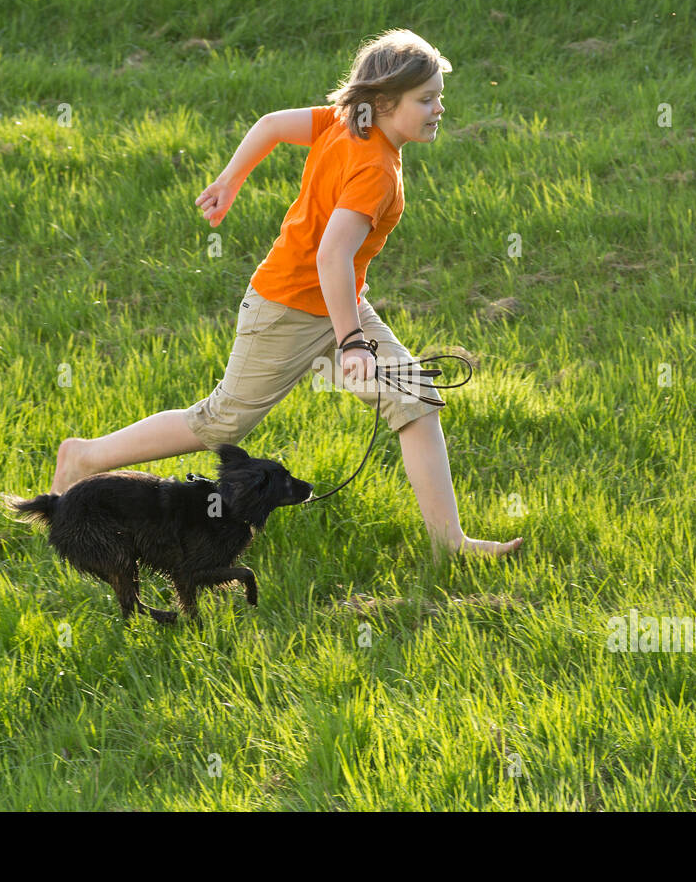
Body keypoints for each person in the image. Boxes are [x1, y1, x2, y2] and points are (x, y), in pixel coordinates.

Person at [50, 29, 522, 560]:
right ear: (384, 102)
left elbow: (271, 125)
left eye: (439, 95)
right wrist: (351, 342)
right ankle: (85, 458)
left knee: (414, 400)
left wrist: (231, 178)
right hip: (287, 310)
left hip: (334, 301)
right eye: (427, 99)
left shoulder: (350, 122)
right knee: (220, 421)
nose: (440, 107)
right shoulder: (375, 169)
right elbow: (331, 255)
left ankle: (450, 544)